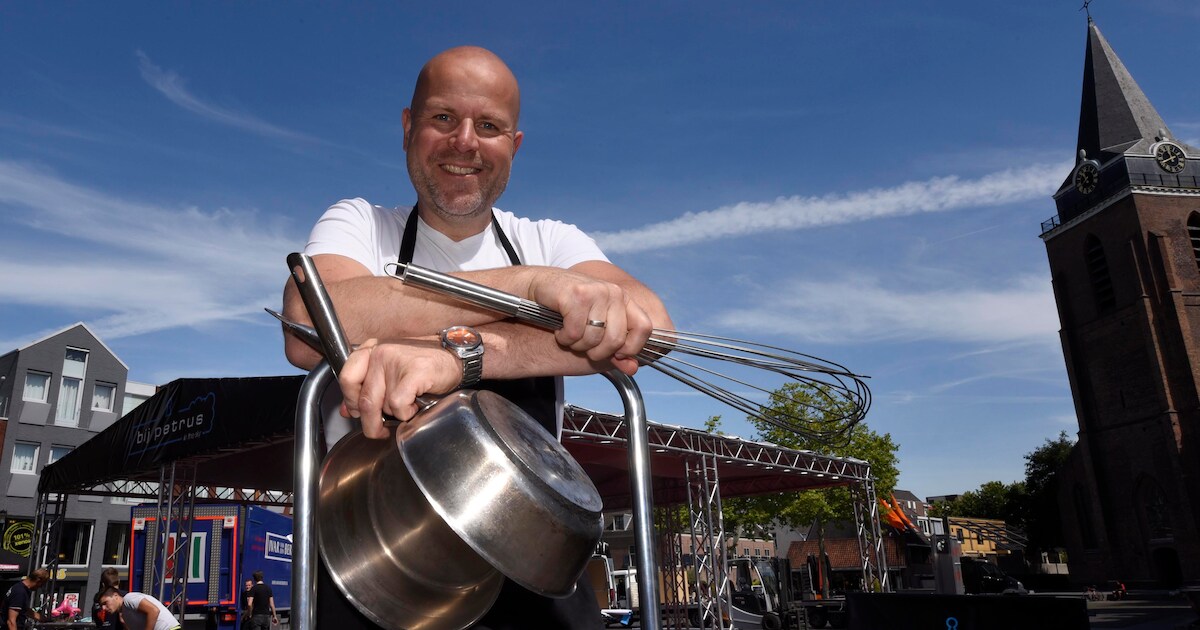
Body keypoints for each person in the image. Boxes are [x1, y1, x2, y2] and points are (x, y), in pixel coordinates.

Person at [281, 46, 671, 630]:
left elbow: (651, 328)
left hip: (529, 556)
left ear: (513, 146)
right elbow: (310, 321)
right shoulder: (362, 225)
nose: (465, 142)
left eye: (488, 126)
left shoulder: (552, 238)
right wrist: (532, 287)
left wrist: (459, 358)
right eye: (443, 118)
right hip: (374, 561)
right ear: (409, 127)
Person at [97, 588, 180, 630]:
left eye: (105, 603)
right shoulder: (124, 614)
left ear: (115, 596)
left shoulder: (129, 598)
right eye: (101, 605)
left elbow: (154, 611)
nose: (103, 608)